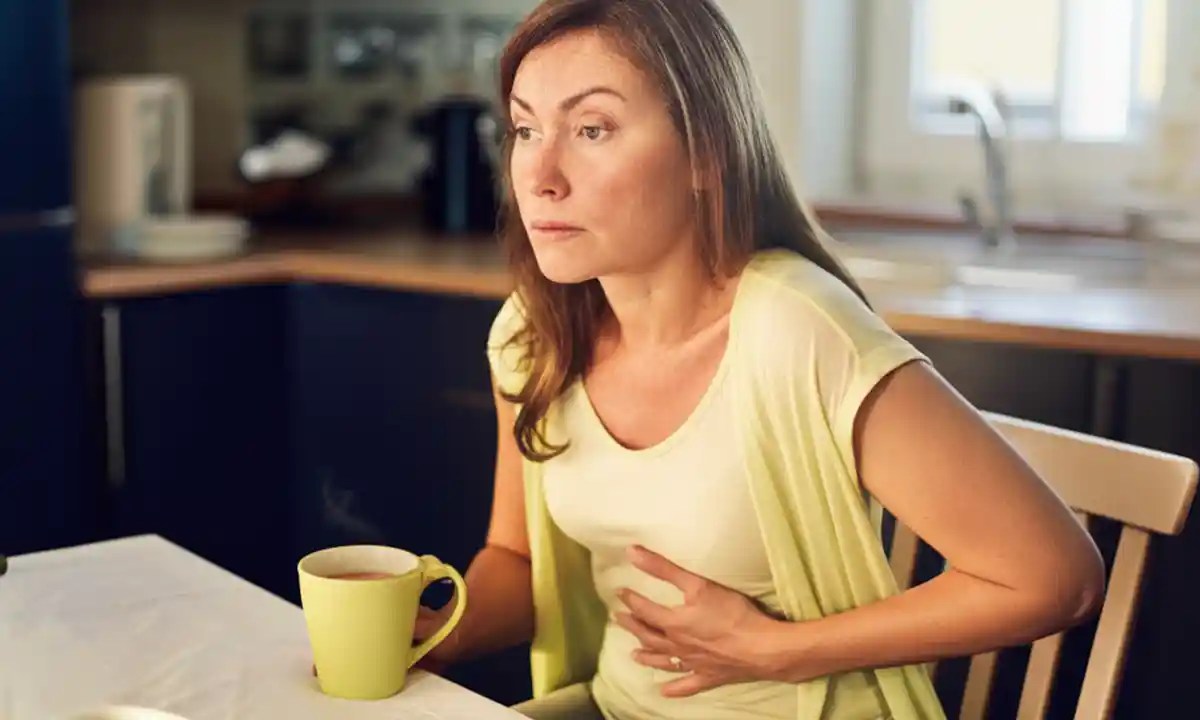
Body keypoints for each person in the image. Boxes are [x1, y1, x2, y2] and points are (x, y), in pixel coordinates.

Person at [414, 1, 1106, 718]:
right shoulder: (536, 336)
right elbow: (519, 563)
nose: (540, 176)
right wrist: (430, 635)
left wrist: (772, 649)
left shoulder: (797, 331)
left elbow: (1055, 578)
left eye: (593, 129)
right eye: (527, 129)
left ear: (708, 153)